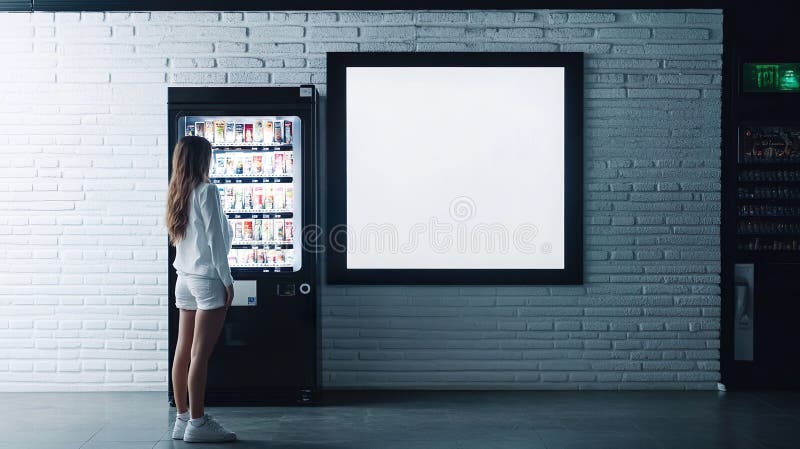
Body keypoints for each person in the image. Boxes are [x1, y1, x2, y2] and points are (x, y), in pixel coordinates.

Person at [166, 135, 236, 443]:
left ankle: (182, 419)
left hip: (184, 278)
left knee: (183, 351)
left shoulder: (176, 191)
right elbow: (215, 241)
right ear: (202, 159)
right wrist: (228, 279)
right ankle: (198, 422)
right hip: (207, 279)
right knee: (200, 355)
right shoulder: (207, 191)